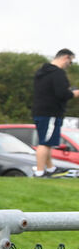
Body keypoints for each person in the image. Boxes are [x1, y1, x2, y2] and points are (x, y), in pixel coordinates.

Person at [31, 48, 78, 176]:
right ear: (66, 58)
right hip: (50, 112)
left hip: (41, 111)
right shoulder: (58, 73)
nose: (69, 65)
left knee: (48, 142)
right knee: (44, 143)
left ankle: (50, 168)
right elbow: (62, 94)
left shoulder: (42, 72)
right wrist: (74, 93)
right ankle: (40, 172)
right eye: (71, 61)